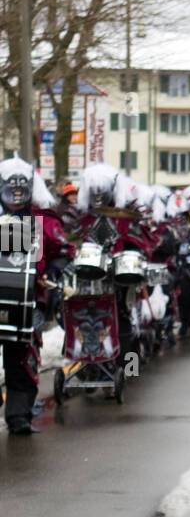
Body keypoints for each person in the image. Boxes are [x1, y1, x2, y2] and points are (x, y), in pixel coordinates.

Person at [0, 157, 73, 434]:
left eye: (22, 188)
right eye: (11, 187)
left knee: (23, 357)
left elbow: (63, 252)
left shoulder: (43, 219)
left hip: (29, 299)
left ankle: (19, 416)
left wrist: (53, 271)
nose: (16, 194)